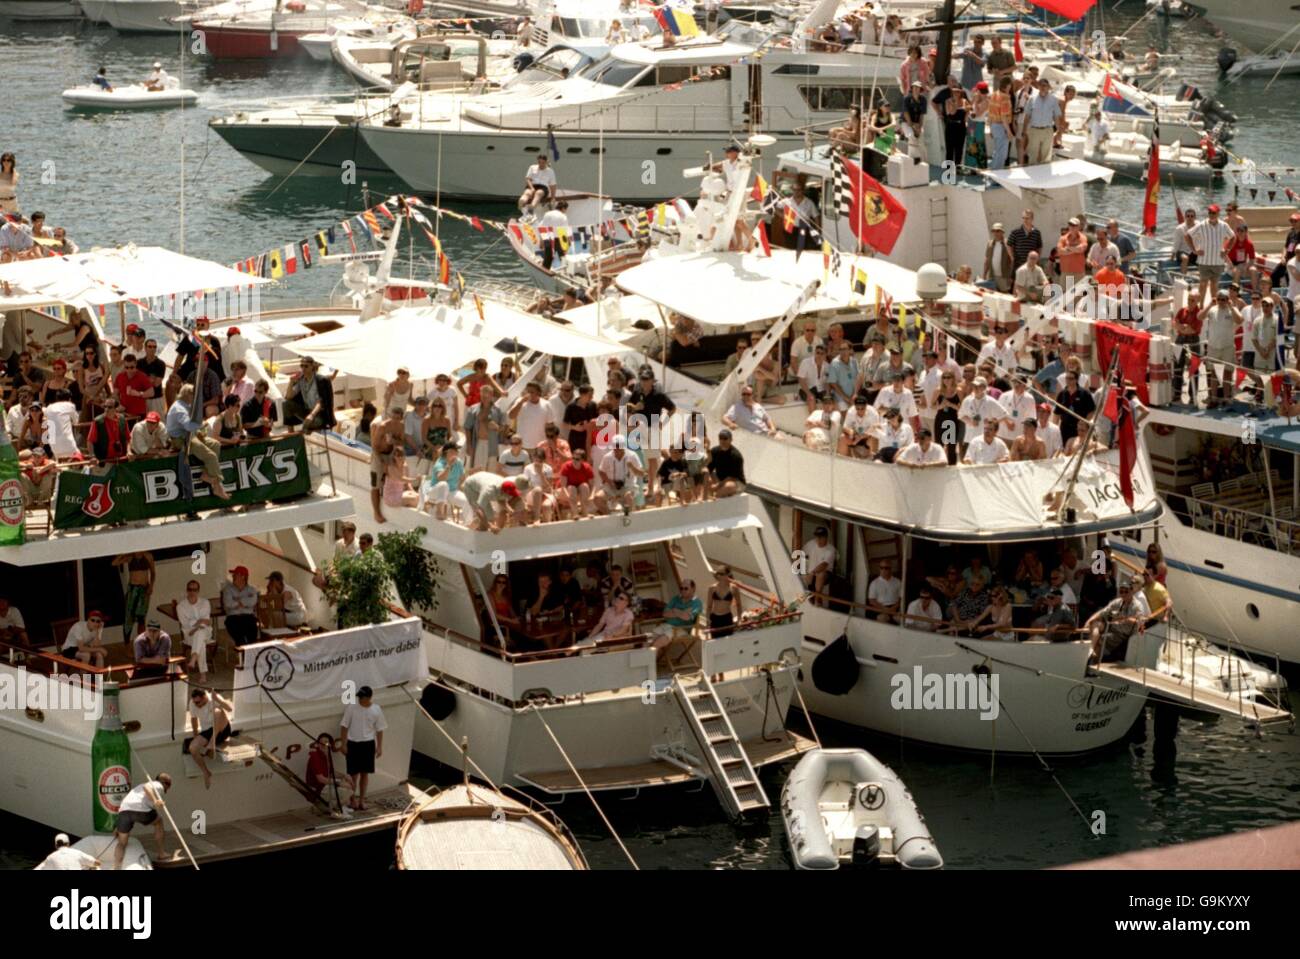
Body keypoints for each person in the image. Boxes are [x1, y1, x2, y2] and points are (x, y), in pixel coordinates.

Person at [165, 384, 231, 500]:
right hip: (181, 439)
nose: (196, 398)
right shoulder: (179, 409)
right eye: (193, 395)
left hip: (190, 434)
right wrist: (200, 425)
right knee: (210, 456)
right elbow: (189, 426)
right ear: (188, 395)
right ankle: (217, 485)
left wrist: (201, 426)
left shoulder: (186, 405)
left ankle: (207, 475)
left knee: (215, 444)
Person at [340, 686, 386, 810]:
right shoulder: (351, 708)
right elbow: (344, 726)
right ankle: (352, 799)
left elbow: (380, 729)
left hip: (368, 744)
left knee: (365, 774)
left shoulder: (376, 709)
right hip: (353, 743)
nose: (361, 700)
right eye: (359, 697)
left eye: (363, 698)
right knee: (353, 775)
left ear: (369, 697)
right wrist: (344, 744)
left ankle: (362, 800)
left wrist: (379, 747)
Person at [1086, 577, 1150, 665]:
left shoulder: (1137, 606)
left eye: (1126, 591)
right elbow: (1103, 612)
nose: (1123, 594)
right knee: (1096, 624)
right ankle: (1091, 649)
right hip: (1112, 629)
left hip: (1122, 635)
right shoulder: (1118, 602)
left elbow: (1140, 621)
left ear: (1131, 591)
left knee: (1101, 640)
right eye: (1121, 591)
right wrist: (1089, 620)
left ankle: (1092, 665)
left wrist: (1125, 619)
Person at [113, 774, 171, 869]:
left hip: (124, 811)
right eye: (168, 785)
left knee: (122, 843)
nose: (167, 789)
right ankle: (161, 853)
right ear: (164, 783)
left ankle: (116, 867)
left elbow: (128, 805)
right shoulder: (158, 784)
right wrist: (155, 800)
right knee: (158, 821)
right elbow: (147, 787)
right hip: (141, 809)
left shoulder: (138, 788)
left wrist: (118, 827)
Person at [462, 469, 530, 531]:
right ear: (504, 492)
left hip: (483, 479)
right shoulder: (488, 492)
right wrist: (490, 526)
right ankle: (473, 534)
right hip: (471, 487)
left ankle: (481, 532)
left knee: (490, 517)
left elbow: (501, 499)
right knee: (488, 518)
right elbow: (479, 510)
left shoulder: (506, 486)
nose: (510, 496)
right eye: (509, 494)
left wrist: (508, 508)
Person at [595, 435, 645, 513]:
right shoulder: (607, 457)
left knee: (628, 497)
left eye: (619, 448)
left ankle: (628, 517)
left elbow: (642, 473)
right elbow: (601, 471)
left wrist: (632, 467)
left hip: (628, 486)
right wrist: (609, 482)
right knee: (597, 498)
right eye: (615, 448)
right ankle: (610, 515)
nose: (617, 450)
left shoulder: (632, 455)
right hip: (611, 486)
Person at [177, 579, 212, 683]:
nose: (192, 592)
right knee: (200, 641)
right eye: (190, 589)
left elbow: (206, 622)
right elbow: (185, 624)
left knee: (200, 634)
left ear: (198, 591)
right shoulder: (181, 606)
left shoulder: (205, 602)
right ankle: (202, 674)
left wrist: (196, 625)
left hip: (206, 632)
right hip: (189, 635)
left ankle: (193, 659)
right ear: (187, 591)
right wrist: (199, 622)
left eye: (195, 589)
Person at [222, 566, 260, 647]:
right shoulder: (228, 590)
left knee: (252, 637)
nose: (233, 576)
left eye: (235, 574)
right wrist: (244, 603)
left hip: (248, 617)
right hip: (233, 618)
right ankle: (242, 655)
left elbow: (253, 602)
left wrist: (237, 601)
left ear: (243, 577)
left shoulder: (251, 589)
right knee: (239, 638)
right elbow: (228, 603)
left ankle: (251, 655)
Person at [87, 396, 129, 464]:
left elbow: (128, 439)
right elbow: (90, 441)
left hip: (121, 459)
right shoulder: (98, 421)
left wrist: (129, 451)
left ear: (116, 408)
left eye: (109, 407)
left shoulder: (122, 419)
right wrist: (92, 456)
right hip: (104, 461)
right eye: (105, 406)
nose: (106, 409)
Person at [800, 526, 836, 602]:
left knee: (821, 575)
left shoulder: (831, 549)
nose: (818, 540)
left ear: (826, 537)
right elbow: (800, 553)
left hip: (826, 574)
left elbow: (824, 565)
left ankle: (817, 599)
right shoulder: (810, 544)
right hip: (811, 575)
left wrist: (812, 573)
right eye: (817, 537)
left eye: (821, 537)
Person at [708, 428, 746, 497]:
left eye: (725, 438)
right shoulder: (714, 451)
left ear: (731, 440)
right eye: (720, 438)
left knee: (727, 486)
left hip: (736, 481)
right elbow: (709, 469)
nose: (722, 441)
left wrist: (717, 485)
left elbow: (733, 477)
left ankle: (715, 499)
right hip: (720, 479)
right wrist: (710, 480)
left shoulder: (736, 456)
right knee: (705, 479)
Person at [35, 833, 100, 871]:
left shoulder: (51, 857)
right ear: (68, 843)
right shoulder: (77, 853)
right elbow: (97, 863)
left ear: (56, 845)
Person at [707, 567, 741, 638]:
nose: (718, 575)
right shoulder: (712, 588)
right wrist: (708, 620)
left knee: (728, 641)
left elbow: (739, 605)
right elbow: (709, 606)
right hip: (715, 618)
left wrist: (739, 619)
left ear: (727, 575)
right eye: (717, 573)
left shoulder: (734, 588)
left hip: (727, 618)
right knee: (715, 641)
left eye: (721, 574)